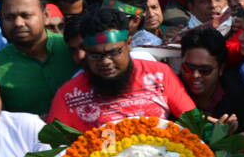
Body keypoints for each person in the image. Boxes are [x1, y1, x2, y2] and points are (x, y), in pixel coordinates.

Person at [48, 7, 195, 129]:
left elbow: (193, 122)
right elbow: (52, 149)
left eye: (113, 52)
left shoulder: (159, 75)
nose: (105, 62)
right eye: (95, 55)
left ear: (129, 44)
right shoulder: (69, 95)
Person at [0, 0, 77, 116]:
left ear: (45, 15)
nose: (18, 23)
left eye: (26, 15)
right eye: (9, 17)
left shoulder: (72, 48)